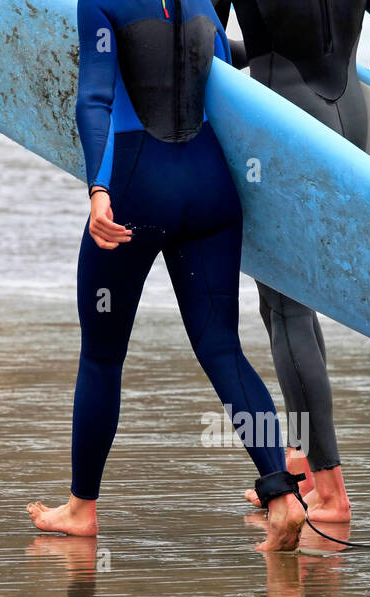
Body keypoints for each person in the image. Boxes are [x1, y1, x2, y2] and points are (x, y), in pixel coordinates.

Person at [28, 0, 306, 551]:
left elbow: (95, 100)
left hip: (137, 189)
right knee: (223, 348)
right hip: (211, 189)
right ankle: (280, 496)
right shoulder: (203, 0)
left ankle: (82, 509)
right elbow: (221, 74)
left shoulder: (101, 3)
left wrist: (99, 190)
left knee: (102, 357)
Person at [214, 0, 370, 523]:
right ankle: (302, 462)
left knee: (286, 310)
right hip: (351, 117)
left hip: (286, 120)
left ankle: (332, 494)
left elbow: (201, 39)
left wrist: (252, 55)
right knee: (296, 305)